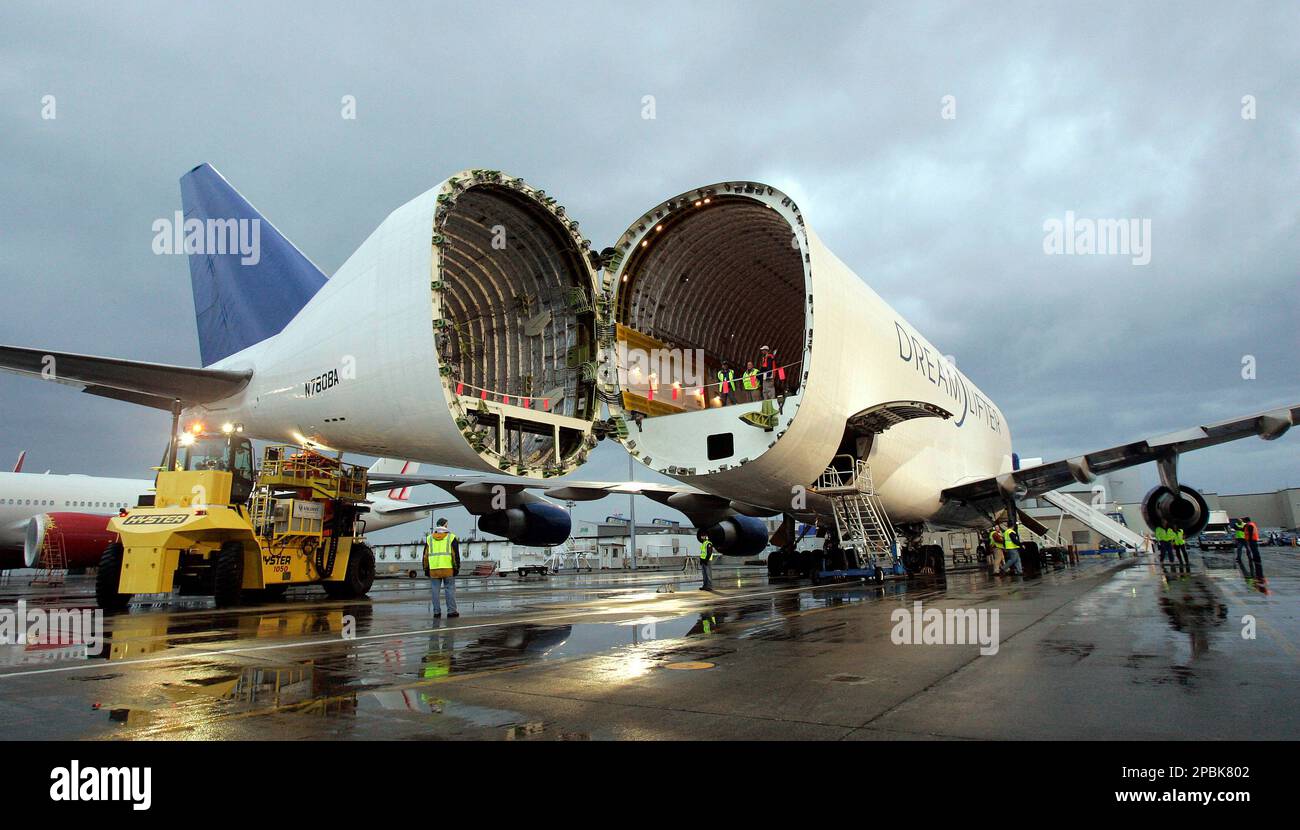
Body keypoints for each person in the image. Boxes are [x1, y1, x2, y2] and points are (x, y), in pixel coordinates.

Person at [425, 518, 461, 618]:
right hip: (448, 568)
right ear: (445, 525)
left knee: (435, 591)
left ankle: (436, 612)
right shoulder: (451, 537)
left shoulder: (429, 538)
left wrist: (426, 568)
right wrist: (457, 567)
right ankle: (451, 611)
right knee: (449, 590)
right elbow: (455, 554)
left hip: (434, 569)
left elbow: (425, 555)